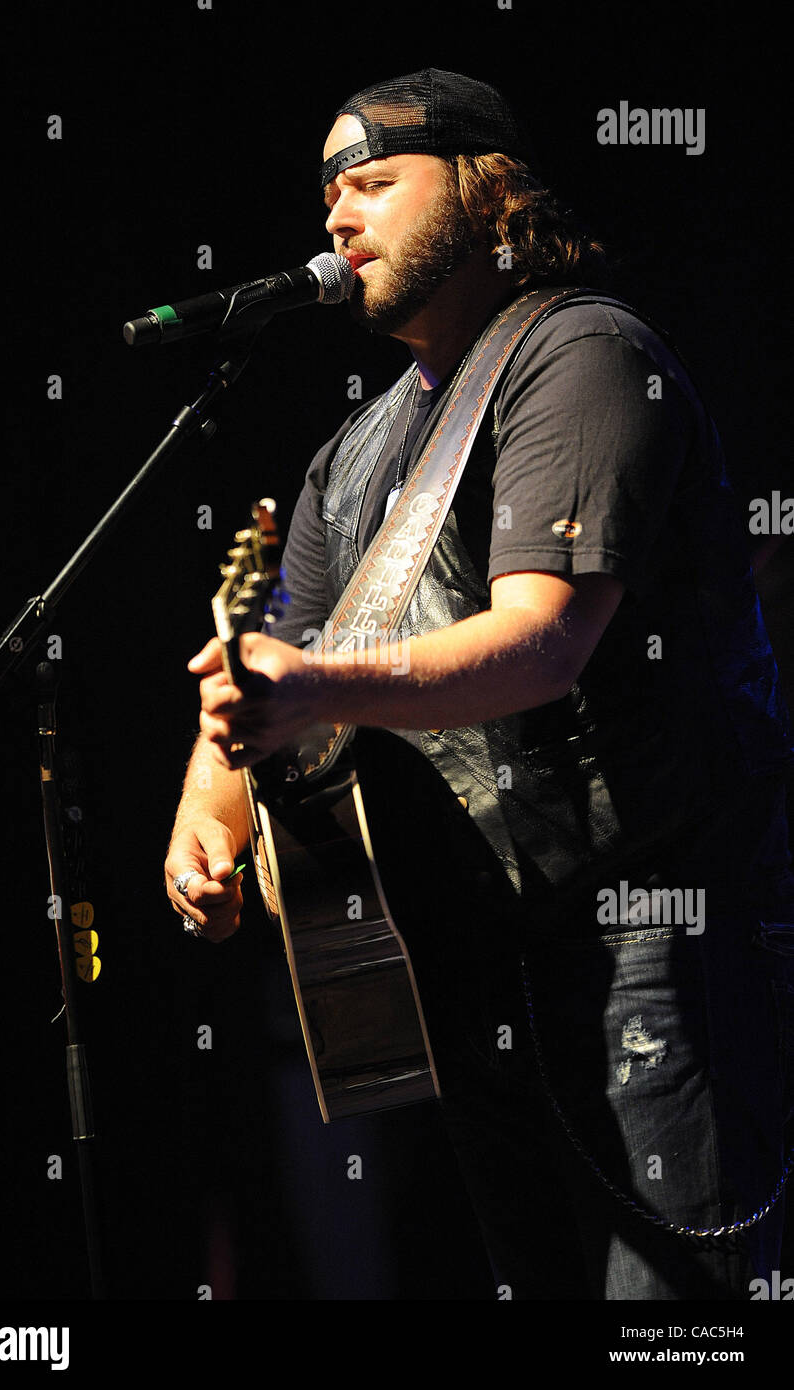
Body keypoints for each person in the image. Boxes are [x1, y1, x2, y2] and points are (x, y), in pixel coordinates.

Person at [164, 69, 793, 1300]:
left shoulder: (584, 352)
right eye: (328, 195)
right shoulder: (349, 457)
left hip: (647, 937)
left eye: (375, 182)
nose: (340, 216)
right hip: (478, 966)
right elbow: (278, 656)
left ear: (486, 189)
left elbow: (541, 640)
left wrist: (311, 679)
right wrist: (210, 806)